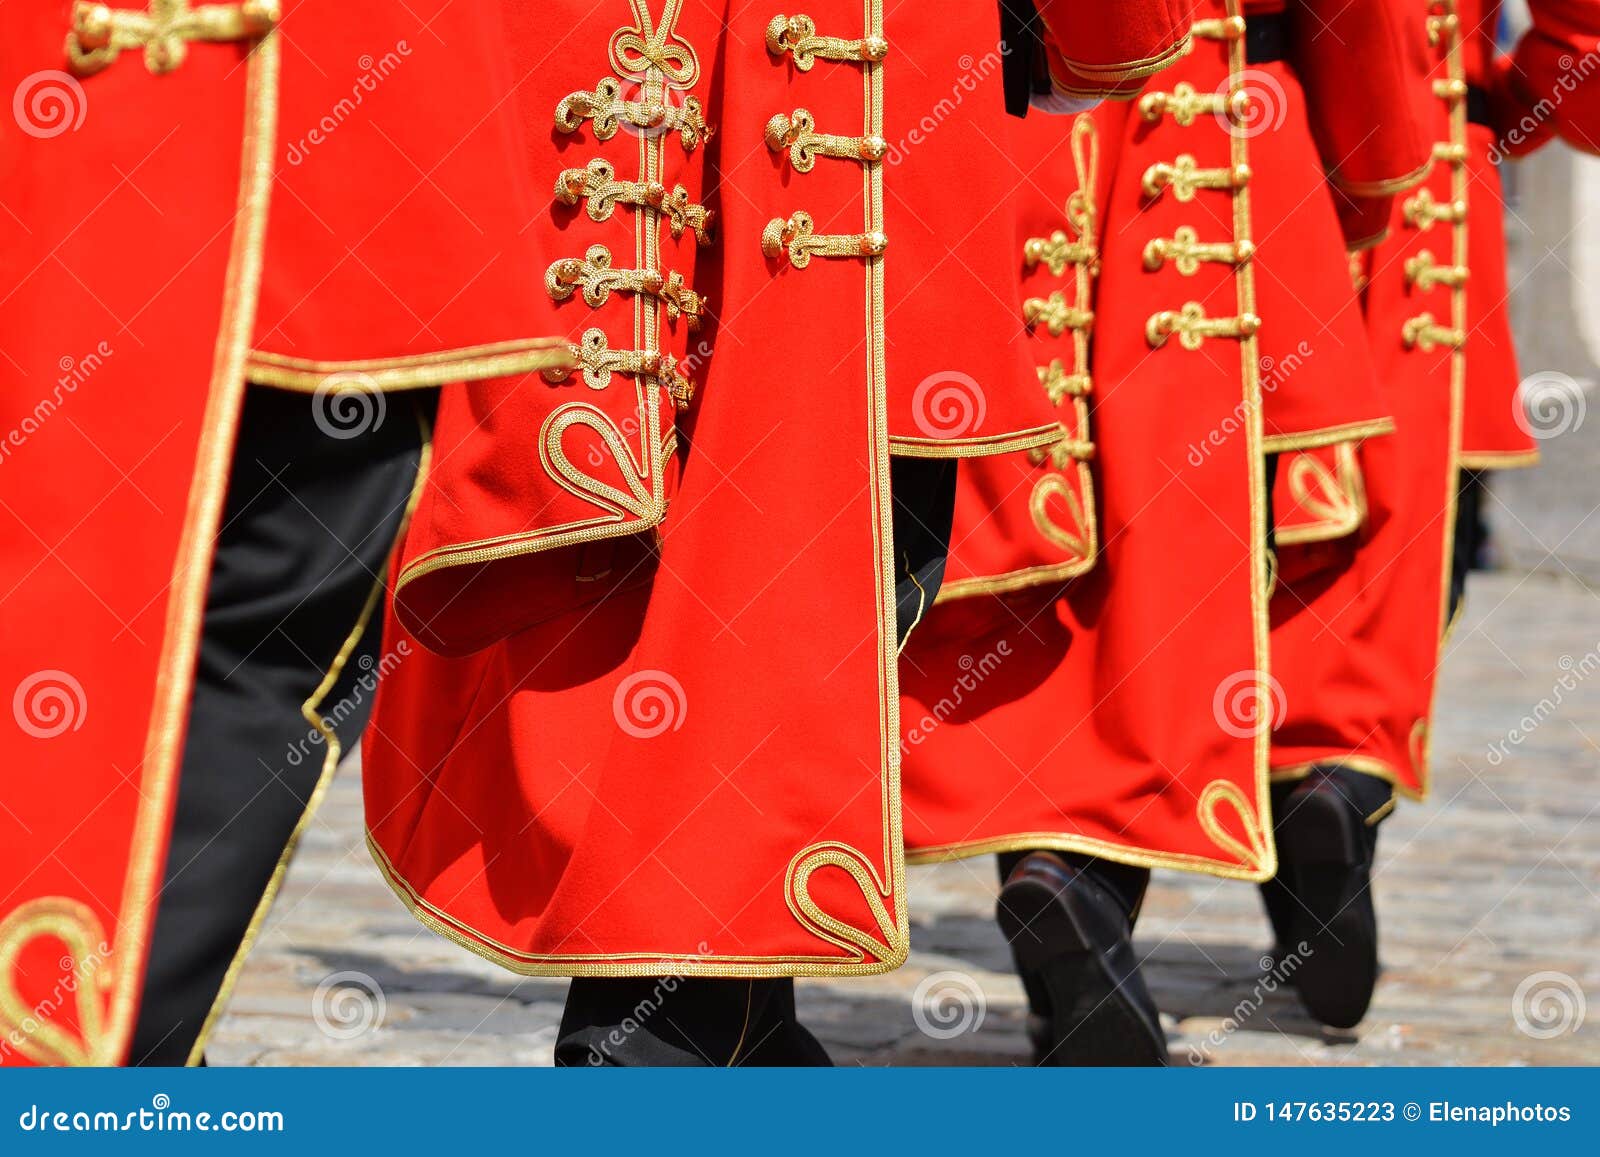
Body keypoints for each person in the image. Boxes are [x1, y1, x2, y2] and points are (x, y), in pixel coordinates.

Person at [359, 0, 1201, 1066]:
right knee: (825, 564)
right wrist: (1103, 36)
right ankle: (668, 1025)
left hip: (599, 70)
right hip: (869, 84)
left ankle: (717, 1016)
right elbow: (1106, 45)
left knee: (640, 552)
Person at [0, 0, 569, 1066]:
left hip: (310, 140)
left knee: (252, 631)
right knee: (248, 639)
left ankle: (107, 1048)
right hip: (300, 124)